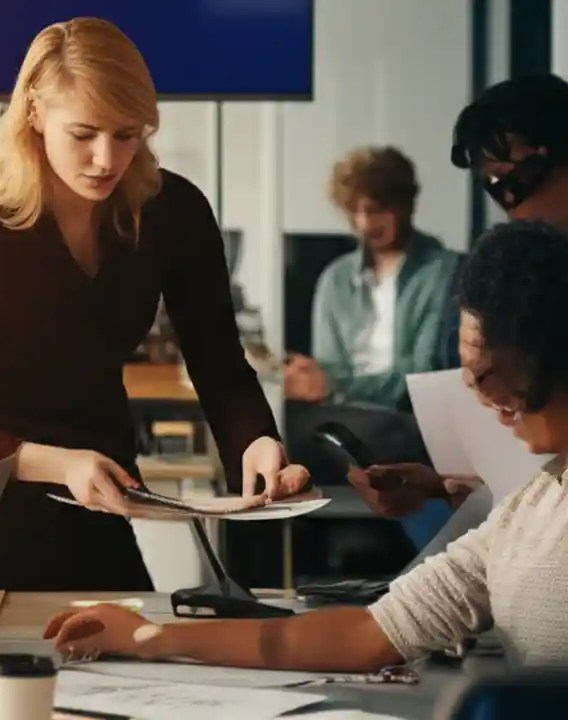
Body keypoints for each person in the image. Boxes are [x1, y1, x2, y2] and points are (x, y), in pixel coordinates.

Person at [46, 220, 568, 670]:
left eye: (493, 378)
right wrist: (147, 637)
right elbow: (368, 634)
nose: (482, 398)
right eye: (472, 377)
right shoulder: (533, 505)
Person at [0, 17, 309, 592]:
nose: (106, 158)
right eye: (84, 134)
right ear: (33, 113)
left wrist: (258, 444)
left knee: (137, 668)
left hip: (103, 496)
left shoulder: (173, 211)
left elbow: (220, 366)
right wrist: (63, 463)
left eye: (128, 134)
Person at [351, 74, 568, 521]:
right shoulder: (522, 275)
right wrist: (449, 484)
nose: (510, 202)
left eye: (522, 178)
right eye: (494, 184)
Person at [285, 146, 460, 410]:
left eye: (376, 210)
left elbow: (424, 377)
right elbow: (328, 368)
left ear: (405, 206)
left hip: (408, 418)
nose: (364, 223)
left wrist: (335, 386)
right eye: (354, 212)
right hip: (342, 415)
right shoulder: (335, 278)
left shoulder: (444, 271)